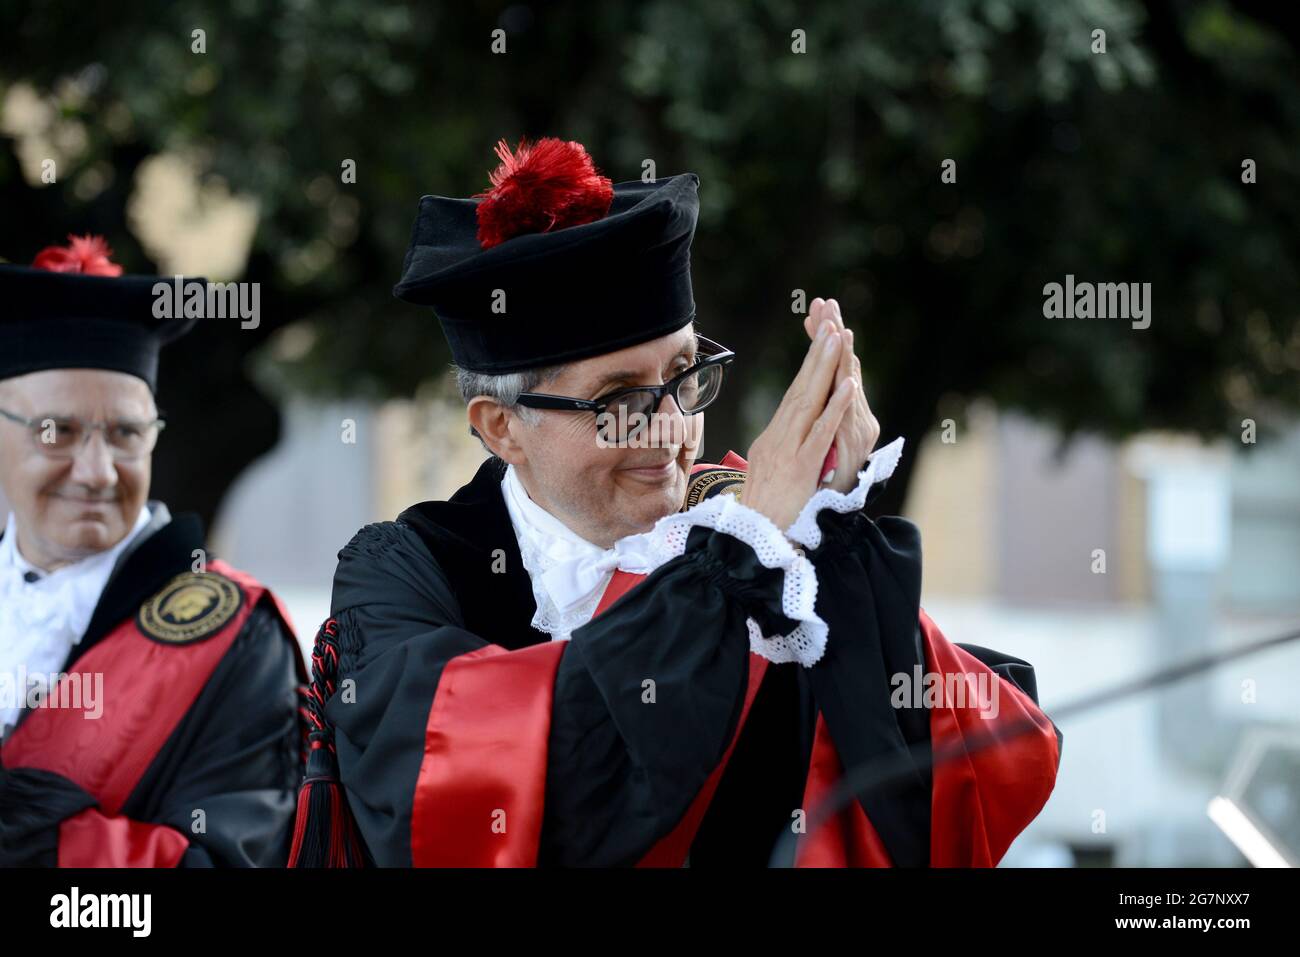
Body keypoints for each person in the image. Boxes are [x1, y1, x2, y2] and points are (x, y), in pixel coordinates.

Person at [290, 137, 1062, 867]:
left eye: (685, 372)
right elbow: (487, 793)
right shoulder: (409, 572)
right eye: (620, 396)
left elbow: (963, 772)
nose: (671, 429)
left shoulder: (759, 546)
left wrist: (830, 529)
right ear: (503, 428)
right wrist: (739, 554)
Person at [0, 234, 306, 867]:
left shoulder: (238, 641)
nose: (98, 472)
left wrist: (37, 839)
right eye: (57, 433)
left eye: (125, 435)